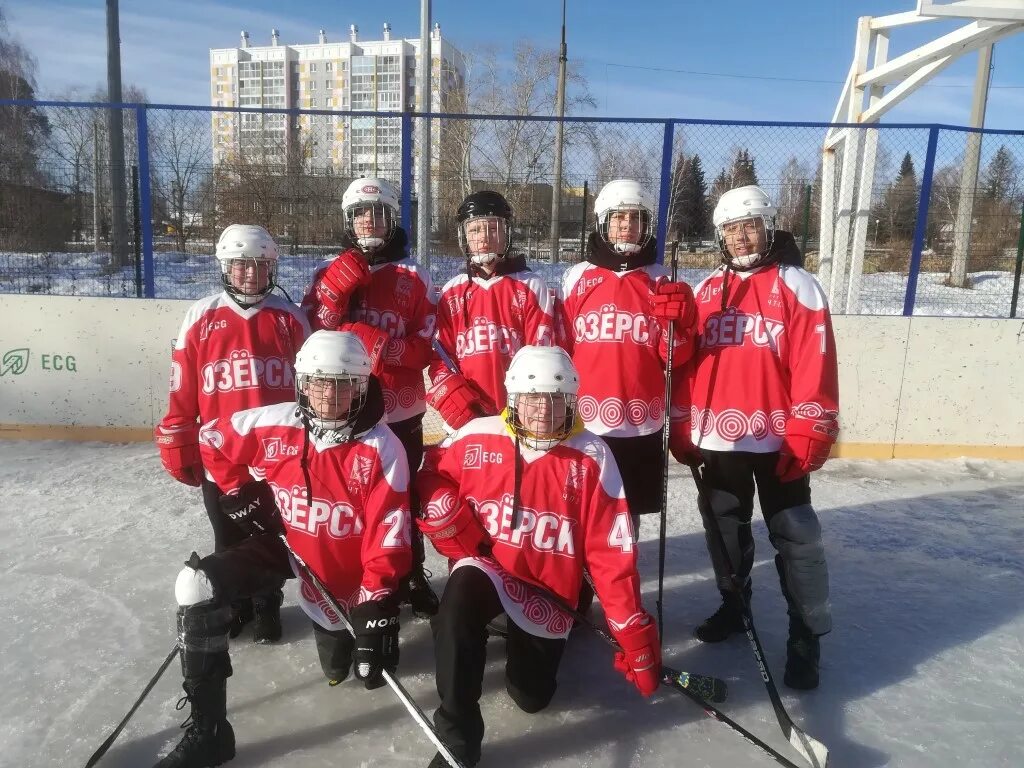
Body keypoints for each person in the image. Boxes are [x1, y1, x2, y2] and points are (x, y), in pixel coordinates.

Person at [152, 330, 413, 768]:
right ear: (302, 384)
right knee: (193, 584)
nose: (329, 396)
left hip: (342, 564)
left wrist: (377, 605)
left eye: (344, 384)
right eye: (318, 383)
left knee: (341, 668)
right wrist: (240, 495)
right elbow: (214, 438)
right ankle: (210, 730)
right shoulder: (276, 423)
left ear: (362, 387)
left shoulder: (383, 449)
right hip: (284, 542)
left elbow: (389, 534)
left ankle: (345, 637)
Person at [417, 345, 661, 768]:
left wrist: (631, 630)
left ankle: (544, 618)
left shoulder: (592, 455)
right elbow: (430, 471)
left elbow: (611, 552)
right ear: (513, 398)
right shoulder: (478, 434)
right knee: (456, 601)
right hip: (488, 568)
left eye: (555, 399)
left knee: (531, 698)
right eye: (532, 398)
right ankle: (456, 735)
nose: (542, 411)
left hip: (548, 585)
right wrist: (440, 503)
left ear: (572, 399)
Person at [669, 184, 838, 690]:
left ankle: (805, 637)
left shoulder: (797, 284)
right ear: (720, 235)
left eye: (750, 226)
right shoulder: (705, 291)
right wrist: (683, 421)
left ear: (767, 227)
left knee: (797, 537)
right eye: (731, 229)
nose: (741, 237)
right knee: (725, 531)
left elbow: (816, 361)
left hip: (779, 437)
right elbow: (685, 363)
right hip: (719, 437)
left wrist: (811, 427)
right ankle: (734, 605)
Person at [154, 224, 310, 644]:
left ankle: (266, 603)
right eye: (240, 265)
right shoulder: (201, 315)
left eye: (259, 265)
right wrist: (177, 431)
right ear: (225, 267)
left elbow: (310, 386)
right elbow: (183, 383)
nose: (249, 274)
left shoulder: (290, 317)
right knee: (226, 534)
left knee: (271, 533)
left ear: (271, 268)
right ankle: (235, 603)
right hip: (219, 453)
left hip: (274, 453)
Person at [301, 177, 440, 618]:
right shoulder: (328, 270)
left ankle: (413, 573)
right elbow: (310, 339)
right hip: (343, 415)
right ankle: (359, 579)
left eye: (378, 213)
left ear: (393, 218)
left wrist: (375, 344)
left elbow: (425, 347)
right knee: (355, 505)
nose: (370, 221)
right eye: (361, 213)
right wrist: (330, 304)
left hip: (400, 409)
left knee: (407, 499)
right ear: (349, 219)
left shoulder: (414, 276)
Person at [559, 179, 697, 536]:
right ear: (603, 222)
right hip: (583, 419)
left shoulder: (660, 279)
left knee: (626, 510)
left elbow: (675, 359)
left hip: (639, 419)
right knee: (579, 505)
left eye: (635, 218)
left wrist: (679, 327)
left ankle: (622, 572)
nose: (627, 225)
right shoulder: (577, 277)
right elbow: (562, 344)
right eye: (619, 217)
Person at [427, 190, 556, 430]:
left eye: (493, 228)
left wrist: (527, 406)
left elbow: (543, 355)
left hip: (519, 415)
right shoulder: (452, 291)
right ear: (463, 236)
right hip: (467, 416)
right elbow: (440, 357)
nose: (484, 237)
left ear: (506, 232)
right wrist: (453, 399)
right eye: (475, 230)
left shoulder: (530, 286)